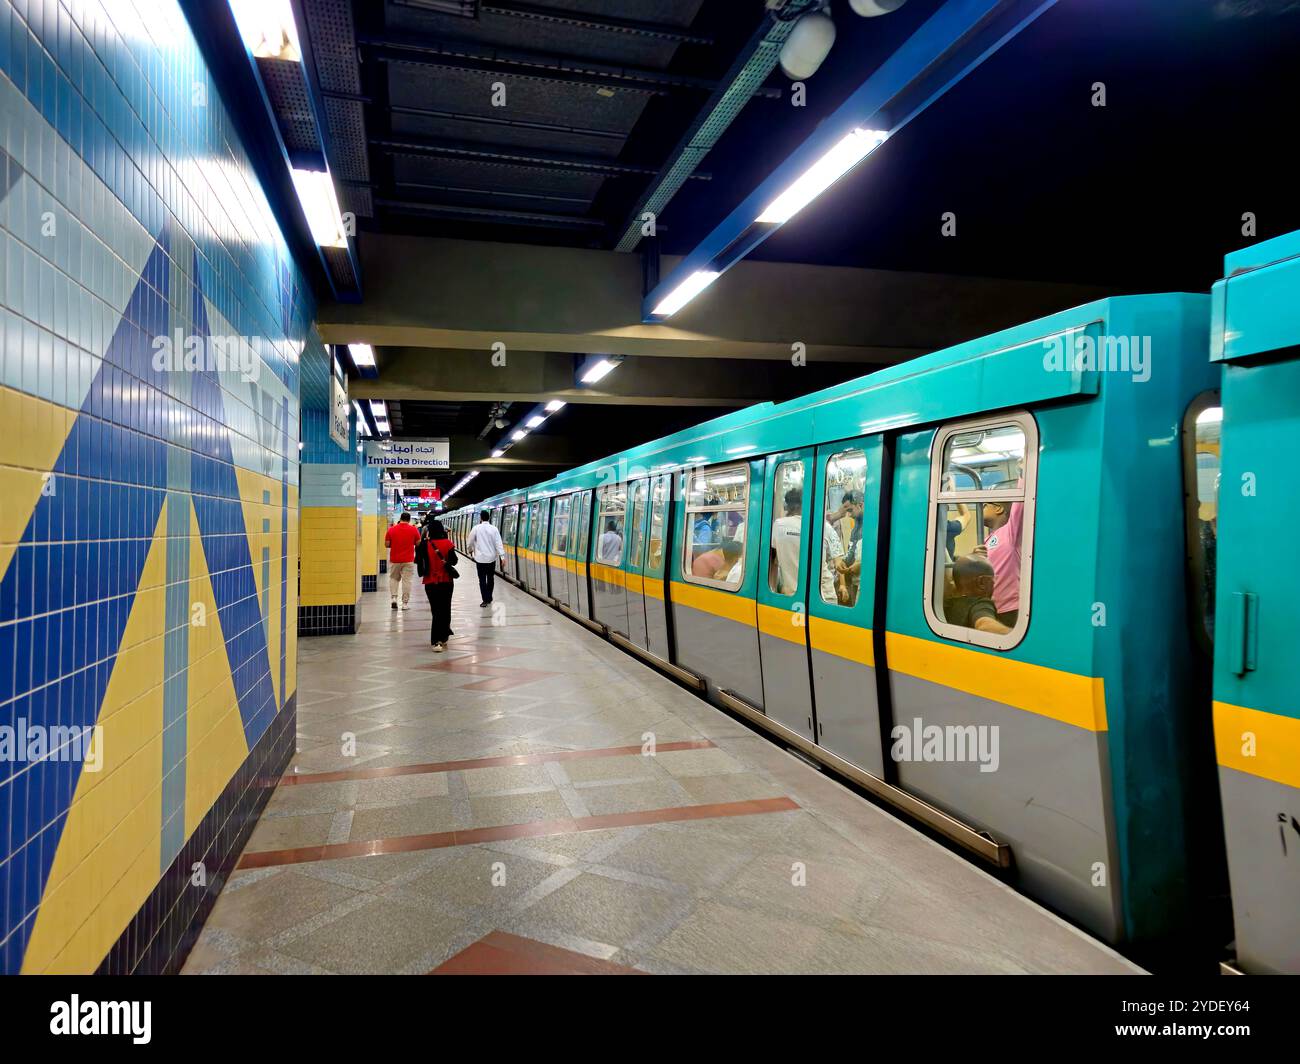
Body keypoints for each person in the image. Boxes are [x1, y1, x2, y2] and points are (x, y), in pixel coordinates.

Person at [974, 499, 1023, 627]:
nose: (981, 508)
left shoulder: (1011, 532)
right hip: (990, 606)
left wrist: (1022, 478)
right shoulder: (987, 540)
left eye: (985, 505)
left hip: (1009, 609)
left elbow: (1020, 506)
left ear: (999, 508)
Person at [944, 554, 1011, 634]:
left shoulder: (944, 604)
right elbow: (985, 626)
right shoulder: (980, 604)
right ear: (981, 582)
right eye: (992, 578)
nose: (994, 583)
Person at [419, 519, 458, 652]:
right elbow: (454, 561)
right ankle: (443, 636)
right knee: (445, 608)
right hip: (446, 582)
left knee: (436, 610)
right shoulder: (448, 543)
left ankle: (436, 641)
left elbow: (417, 561)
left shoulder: (424, 545)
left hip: (430, 582)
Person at [466, 508, 506, 608]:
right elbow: (498, 543)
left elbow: (470, 541)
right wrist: (502, 557)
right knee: (491, 578)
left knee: (482, 580)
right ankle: (489, 597)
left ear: (480, 518)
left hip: (480, 559)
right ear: (489, 518)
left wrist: (470, 550)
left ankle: (485, 600)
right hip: (491, 559)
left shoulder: (476, 528)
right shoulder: (494, 529)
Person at [384, 512, 421, 610]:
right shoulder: (414, 529)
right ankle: (405, 604)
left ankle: (394, 598)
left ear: (400, 519)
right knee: (407, 581)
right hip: (408, 559)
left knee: (394, 578)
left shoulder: (391, 529)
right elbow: (418, 544)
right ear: (409, 520)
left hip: (395, 559)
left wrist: (395, 544)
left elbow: (387, 544)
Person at [770, 484, 802, 595]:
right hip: (824, 592)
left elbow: (773, 559)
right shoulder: (819, 525)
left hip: (790, 591)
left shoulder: (780, 525)